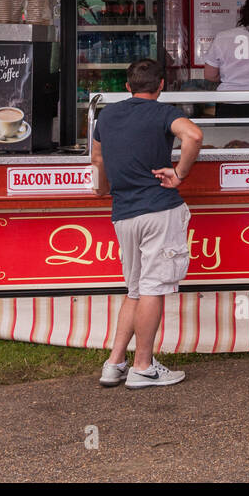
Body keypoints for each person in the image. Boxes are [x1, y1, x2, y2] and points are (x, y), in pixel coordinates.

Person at [91, 58, 204, 389]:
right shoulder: (163, 112)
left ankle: (114, 363)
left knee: (136, 290)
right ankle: (142, 367)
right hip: (158, 211)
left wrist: (102, 188)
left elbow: (97, 158)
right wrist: (179, 173)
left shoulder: (106, 115)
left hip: (123, 213)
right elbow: (194, 135)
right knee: (152, 289)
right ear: (161, 86)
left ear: (128, 86)